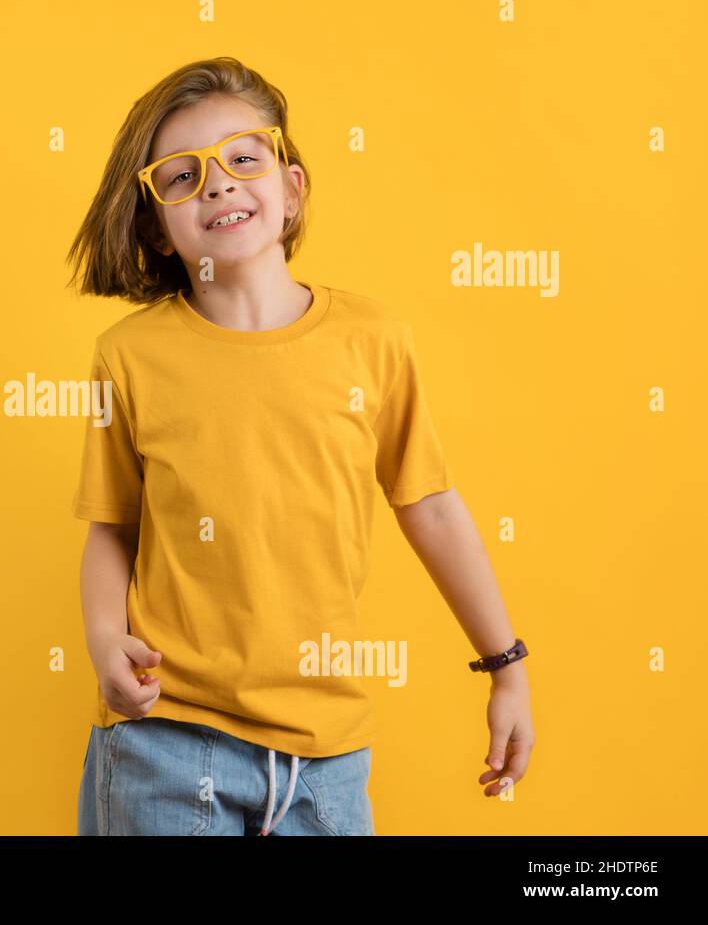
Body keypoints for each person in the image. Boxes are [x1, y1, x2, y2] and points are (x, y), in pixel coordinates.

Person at [67, 57, 535, 835]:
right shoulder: (129, 357)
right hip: (167, 744)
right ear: (154, 226)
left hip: (330, 761)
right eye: (181, 177)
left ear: (292, 188)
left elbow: (433, 506)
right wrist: (104, 641)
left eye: (243, 158)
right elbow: (111, 524)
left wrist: (506, 667)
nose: (218, 185)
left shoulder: (373, 341)